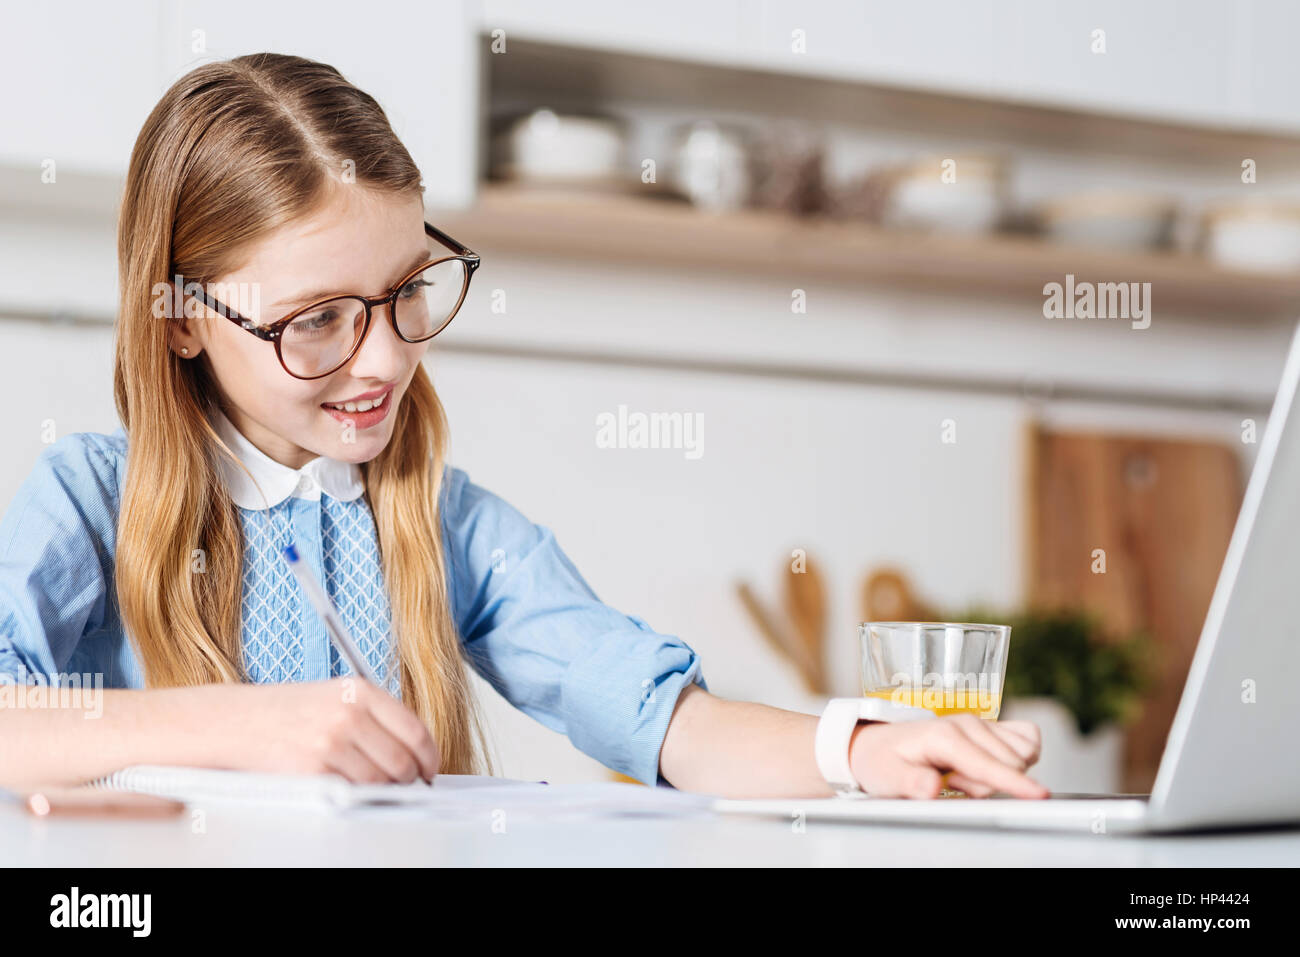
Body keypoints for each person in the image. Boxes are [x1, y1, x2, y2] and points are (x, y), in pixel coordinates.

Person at [0, 52, 1048, 801]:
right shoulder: (94, 503)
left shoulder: (441, 522)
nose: (385, 357)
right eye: (316, 321)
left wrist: (855, 749)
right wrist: (240, 727)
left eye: (406, 291)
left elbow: (661, 719)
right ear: (181, 320)